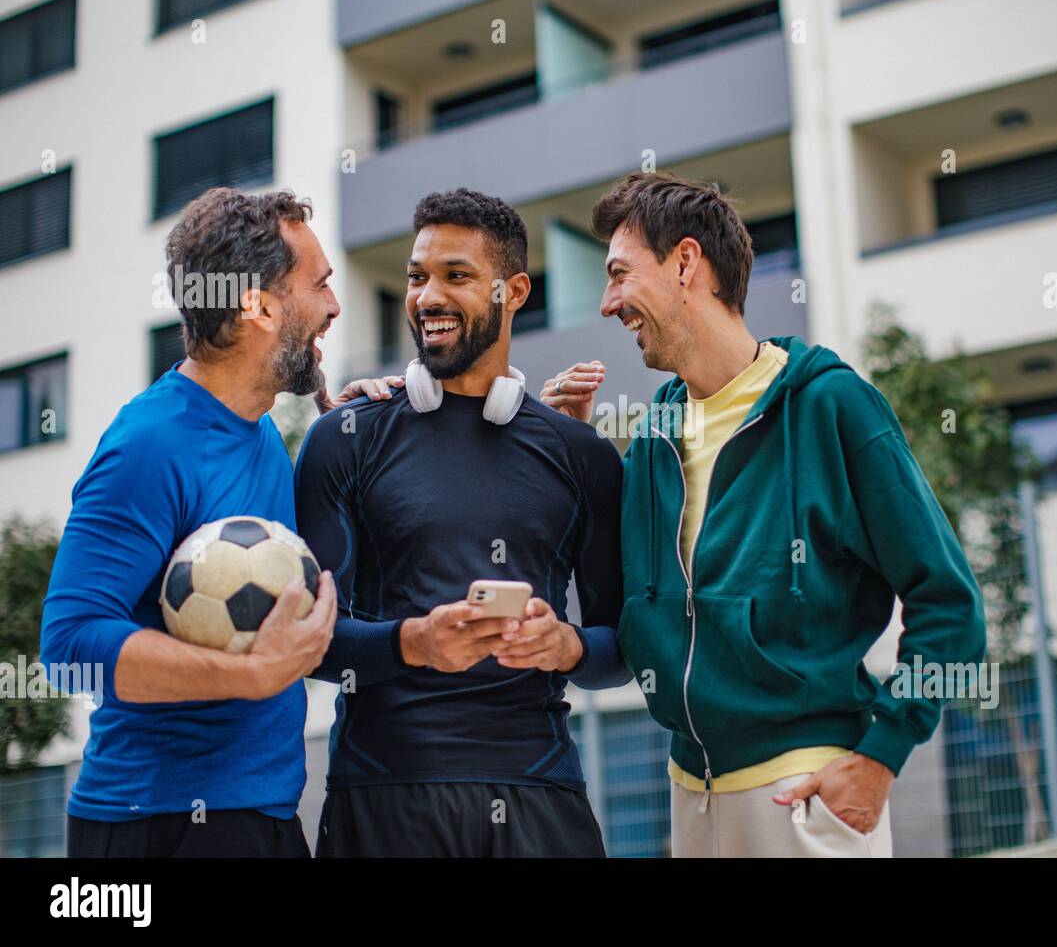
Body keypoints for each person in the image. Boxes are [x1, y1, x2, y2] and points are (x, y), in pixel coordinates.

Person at [541, 172, 986, 857]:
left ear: (686, 263)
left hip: (804, 793)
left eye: (620, 275)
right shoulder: (654, 437)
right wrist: (575, 453)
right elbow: (633, 610)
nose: (607, 304)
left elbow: (950, 604)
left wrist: (881, 756)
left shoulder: (829, 407)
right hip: (690, 794)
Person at [294, 188, 628, 858]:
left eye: (456, 276)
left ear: (514, 291)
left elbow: (623, 648)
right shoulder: (344, 437)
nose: (427, 297)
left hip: (540, 794)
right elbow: (309, 640)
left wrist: (567, 648)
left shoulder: (581, 454)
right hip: (384, 797)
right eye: (418, 277)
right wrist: (411, 643)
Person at [41, 188, 339, 857]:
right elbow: (69, 649)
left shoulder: (260, 433)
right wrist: (251, 676)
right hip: (154, 825)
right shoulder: (151, 443)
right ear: (258, 305)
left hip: (261, 815)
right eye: (318, 285)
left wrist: (364, 425)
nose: (334, 307)